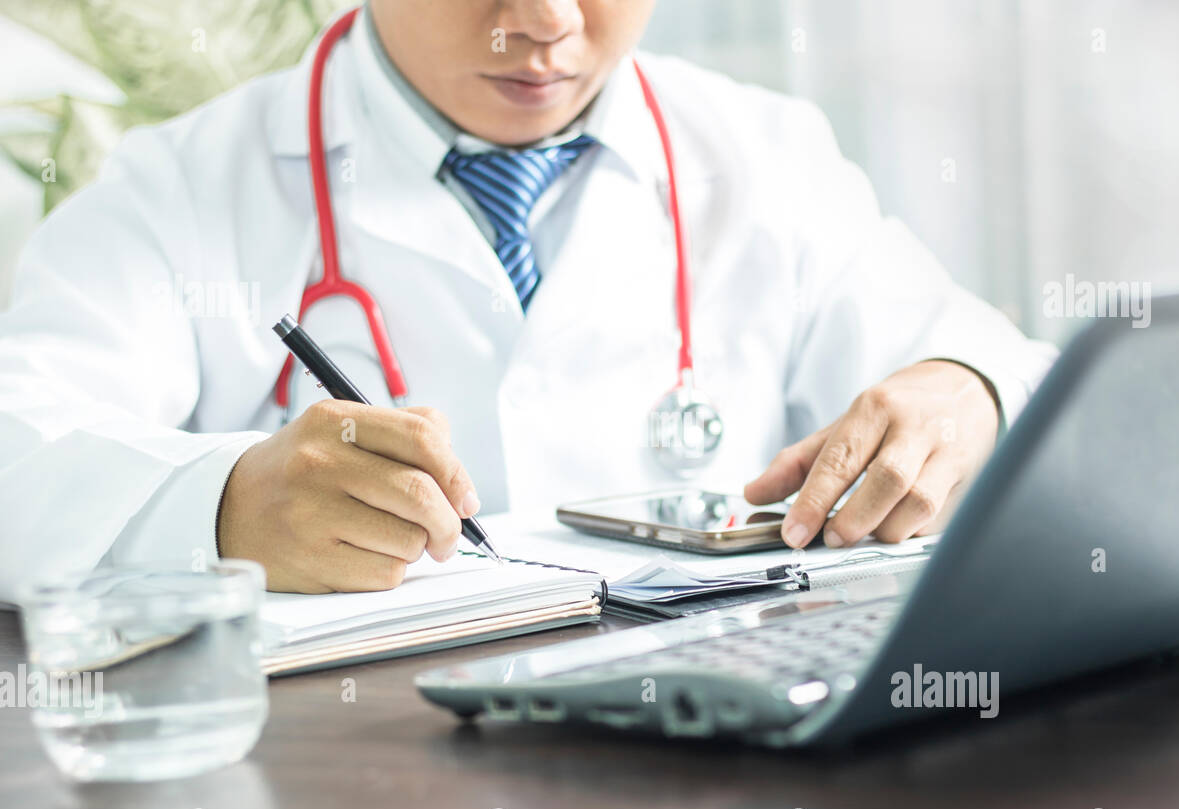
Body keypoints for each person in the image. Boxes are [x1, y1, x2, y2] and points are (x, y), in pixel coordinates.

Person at [0, 0, 1056, 597]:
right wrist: (223, 501)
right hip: (352, 779)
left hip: (709, 771)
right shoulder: (183, 184)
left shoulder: (764, 153)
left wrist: (966, 394)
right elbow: (16, 445)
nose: (546, 23)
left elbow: (983, 363)